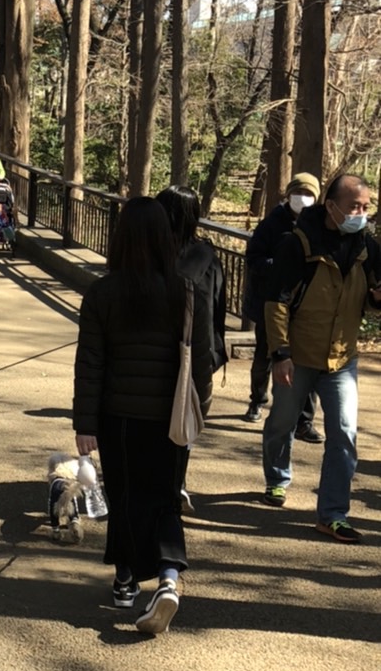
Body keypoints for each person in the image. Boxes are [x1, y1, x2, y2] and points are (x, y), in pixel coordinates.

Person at [73, 197, 214, 636]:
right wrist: (197, 411)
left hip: (119, 416)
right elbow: (203, 362)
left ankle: (124, 580)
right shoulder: (188, 290)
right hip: (170, 417)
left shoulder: (101, 292)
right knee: (165, 497)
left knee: (126, 497)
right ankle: (169, 578)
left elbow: (90, 362)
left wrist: (85, 424)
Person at [261, 173, 381, 543]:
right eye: (353, 207)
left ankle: (332, 514)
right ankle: (278, 478)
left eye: (365, 207)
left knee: (344, 434)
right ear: (331, 206)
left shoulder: (368, 248)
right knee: (282, 421)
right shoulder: (297, 245)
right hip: (297, 355)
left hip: (342, 358)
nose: (360, 214)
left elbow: (371, 303)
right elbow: (276, 303)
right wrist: (280, 353)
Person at [242, 172, 322, 441]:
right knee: (265, 355)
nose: (304, 198)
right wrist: (280, 268)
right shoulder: (271, 225)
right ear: (288, 195)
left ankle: (304, 420)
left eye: (310, 194)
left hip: (306, 309)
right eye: (299, 193)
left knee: (307, 362)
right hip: (271, 304)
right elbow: (253, 258)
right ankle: (257, 399)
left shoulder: (320, 227)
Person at [156, 186, 227, 371]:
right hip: (198, 350)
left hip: (160, 351)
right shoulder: (208, 257)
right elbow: (216, 306)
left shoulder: (151, 254)